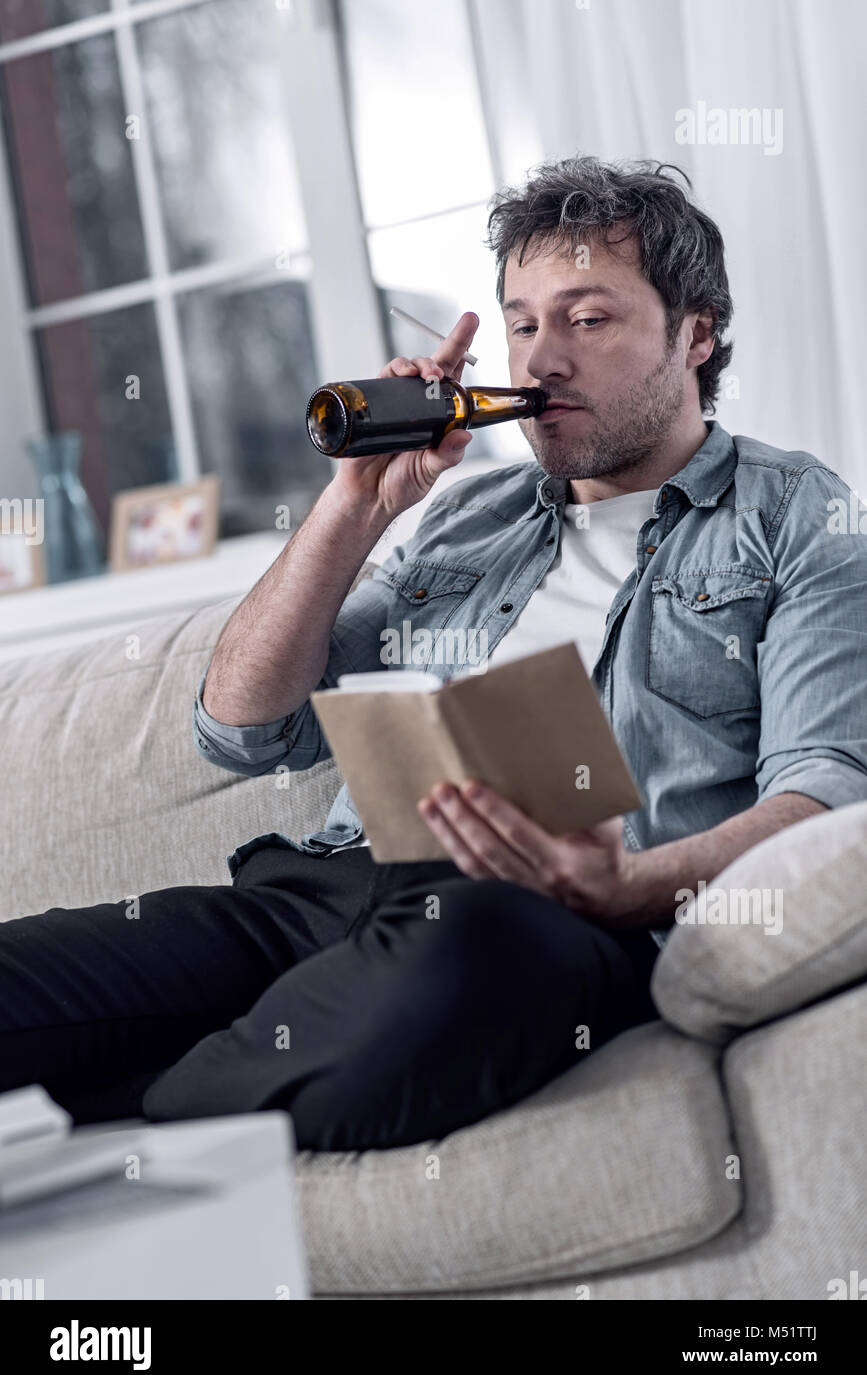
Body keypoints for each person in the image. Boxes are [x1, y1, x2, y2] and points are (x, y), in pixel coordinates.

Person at [2, 157, 865, 1152]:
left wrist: (625, 886)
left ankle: (109, 1129)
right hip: (324, 893)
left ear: (697, 332)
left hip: (548, 918)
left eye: (588, 320)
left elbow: (826, 789)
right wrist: (353, 506)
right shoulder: (469, 519)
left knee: (464, 959)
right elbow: (243, 728)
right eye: (524, 321)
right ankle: (181, 1094)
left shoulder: (799, 516)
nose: (543, 362)